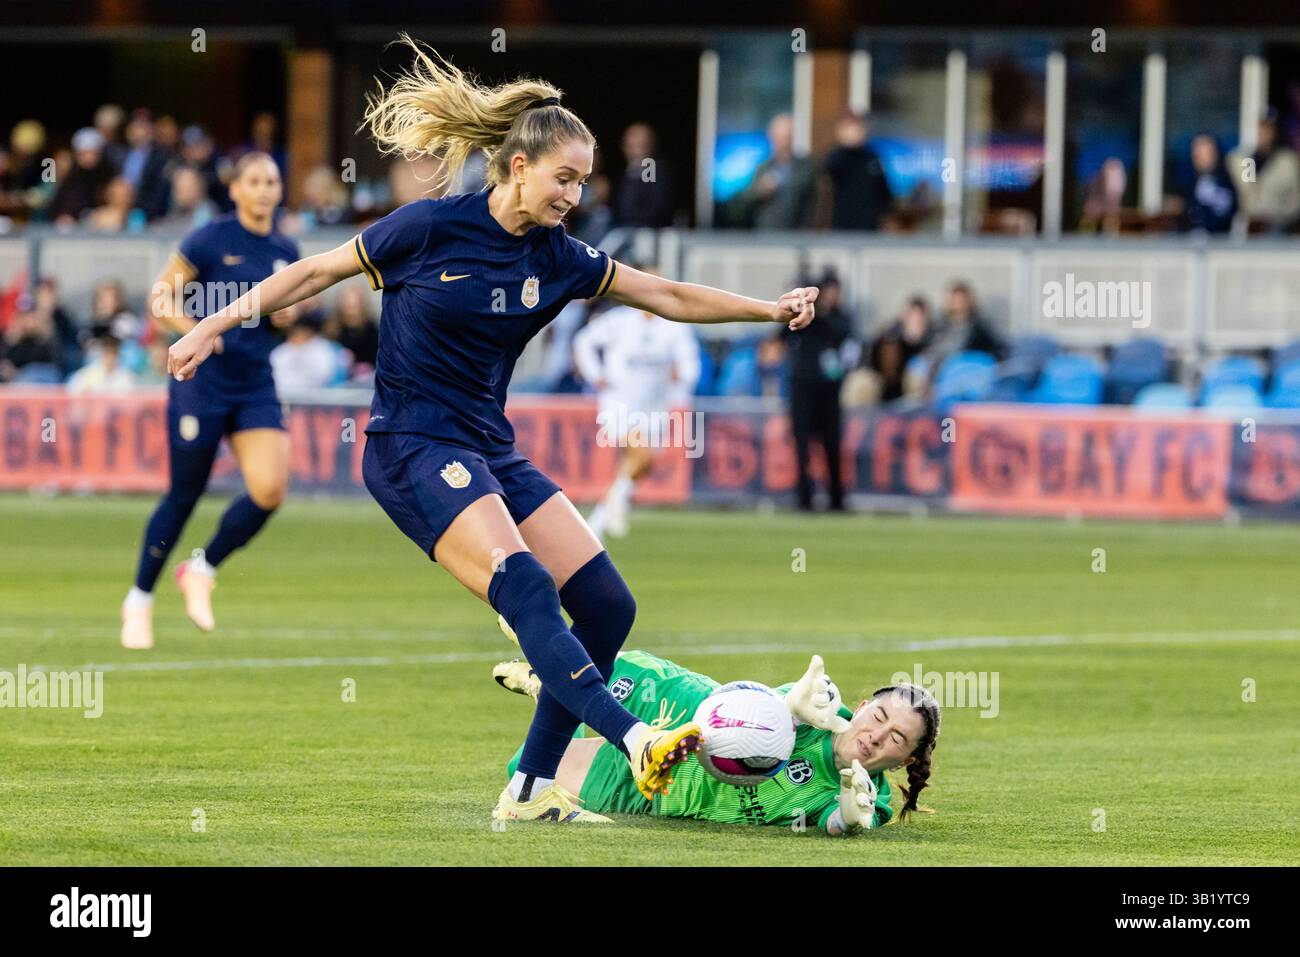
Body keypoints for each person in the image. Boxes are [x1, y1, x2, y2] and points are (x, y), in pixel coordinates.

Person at [166, 37, 820, 823]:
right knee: (527, 586)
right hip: (411, 447)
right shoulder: (429, 228)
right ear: (517, 167)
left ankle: (531, 789)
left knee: (609, 604)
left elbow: (667, 295)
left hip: (487, 447)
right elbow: (310, 273)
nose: (574, 195)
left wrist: (768, 310)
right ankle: (636, 737)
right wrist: (213, 324)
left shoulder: (561, 256)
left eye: (583, 180)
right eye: (563, 177)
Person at [120, 152, 299, 651]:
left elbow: (291, 310)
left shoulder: (286, 248)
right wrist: (195, 331)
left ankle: (201, 567)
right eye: (255, 181)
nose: (265, 189)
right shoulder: (209, 239)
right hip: (202, 380)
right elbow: (161, 299)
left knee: (270, 490)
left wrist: (287, 318)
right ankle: (138, 599)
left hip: (254, 381)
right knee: (185, 494)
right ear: (236, 189)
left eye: (272, 181)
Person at [494, 648, 941, 833]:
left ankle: (546, 689)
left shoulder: (870, 801)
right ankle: (541, 644)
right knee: (601, 660)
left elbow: (836, 824)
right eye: (879, 716)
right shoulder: (821, 701)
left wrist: (846, 814)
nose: (877, 736)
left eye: (897, 738)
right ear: (862, 707)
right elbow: (760, 708)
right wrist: (790, 709)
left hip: (663, 790)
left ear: (904, 760)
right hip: (686, 713)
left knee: (524, 768)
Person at [572, 281, 701, 541]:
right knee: (640, 455)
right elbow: (583, 341)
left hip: (655, 406)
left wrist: (683, 379)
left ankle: (602, 516)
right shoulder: (618, 321)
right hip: (619, 402)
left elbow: (689, 363)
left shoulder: (674, 326)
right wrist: (595, 375)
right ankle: (606, 513)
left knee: (642, 464)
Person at [782, 270, 853, 511]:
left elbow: (839, 333)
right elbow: (783, 332)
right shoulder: (805, 316)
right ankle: (804, 498)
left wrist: (818, 312)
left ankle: (836, 499)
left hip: (829, 392)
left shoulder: (840, 318)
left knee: (832, 447)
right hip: (803, 388)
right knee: (802, 448)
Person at [729, 114, 816, 229]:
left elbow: (813, 204)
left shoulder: (805, 167)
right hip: (767, 236)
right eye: (779, 136)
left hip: (796, 235)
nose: (782, 141)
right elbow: (741, 204)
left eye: (786, 136)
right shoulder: (762, 168)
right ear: (771, 137)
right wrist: (759, 191)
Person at [823, 111, 894, 231]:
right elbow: (828, 171)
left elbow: (885, 194)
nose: (854, 132)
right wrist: (846, 144)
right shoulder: (837, 157)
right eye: (849, 127)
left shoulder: (872, 158)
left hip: (869, 229)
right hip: (841, 228)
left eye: (857, 127)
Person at [1181, 134, 1236, 234]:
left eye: (1203, 153)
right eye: (1196, 153)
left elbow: (1221, 219)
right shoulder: (1192, 182)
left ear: (1214, 154)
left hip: (1217, 244)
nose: (1197, 157)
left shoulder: (1225, 182)